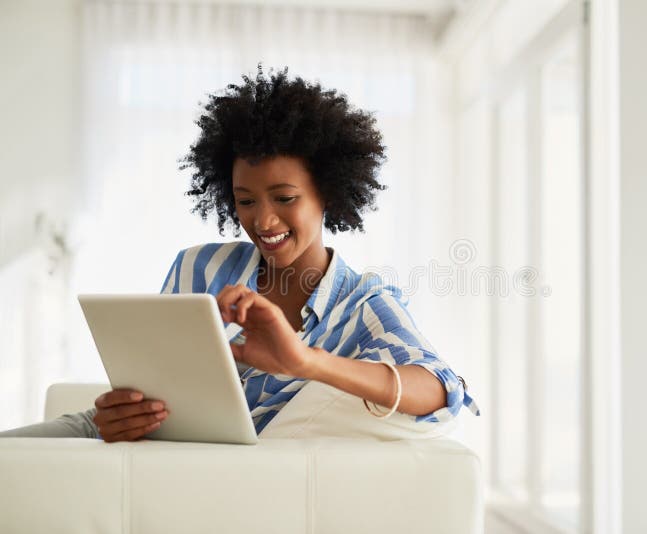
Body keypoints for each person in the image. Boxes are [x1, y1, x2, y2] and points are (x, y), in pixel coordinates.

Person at [0, 66, 478, 441]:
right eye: (245, 201)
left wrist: (306, 361)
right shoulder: (199, 267)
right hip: (126, 442)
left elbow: (443, 389)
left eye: (284, 198)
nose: (263, 222)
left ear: (328, 194)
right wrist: (120, 411)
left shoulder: (361, 304)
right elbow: (152, 384)